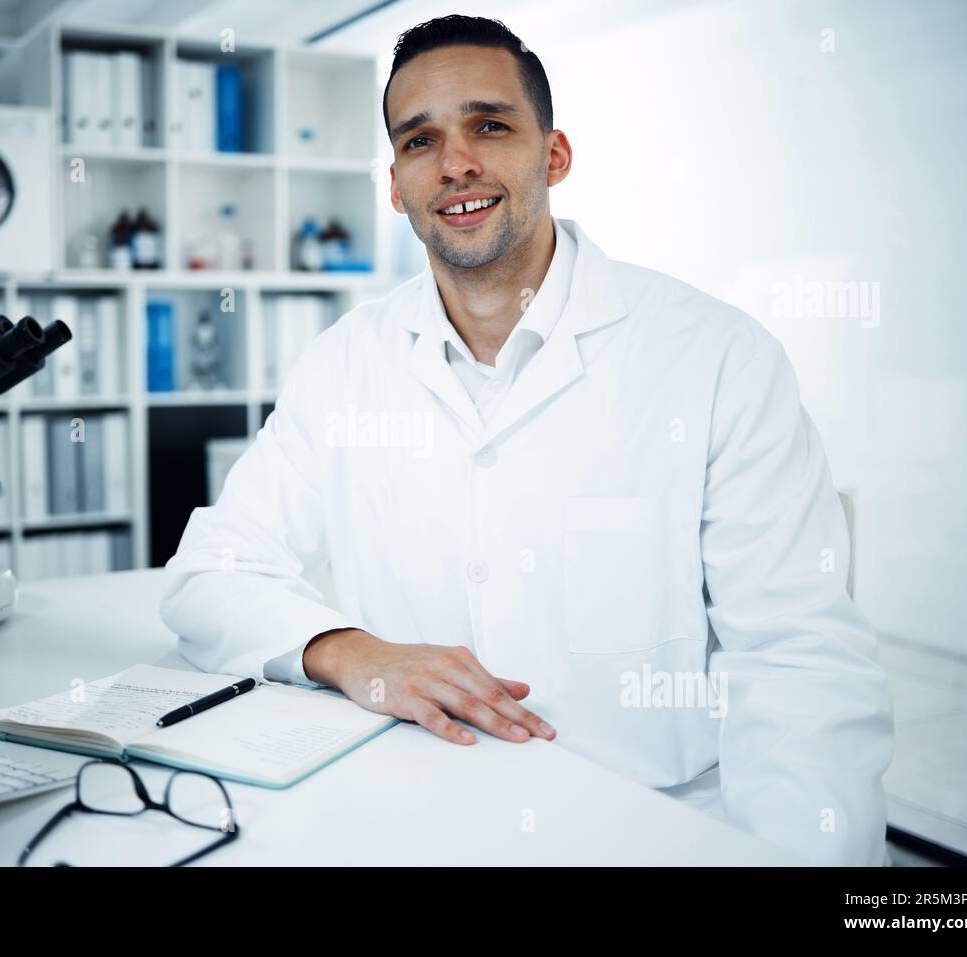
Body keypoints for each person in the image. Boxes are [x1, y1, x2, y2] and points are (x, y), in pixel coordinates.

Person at [159, 14, 894, 866]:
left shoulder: (717, 356)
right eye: (419, 140)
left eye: (490, 125)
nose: (456, 163)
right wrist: (351, 652)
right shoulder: (345, 366)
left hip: (648, 829)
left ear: (554, 155)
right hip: (411, 818)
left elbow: (798, 663)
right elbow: (208, 575)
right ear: (396, 185)